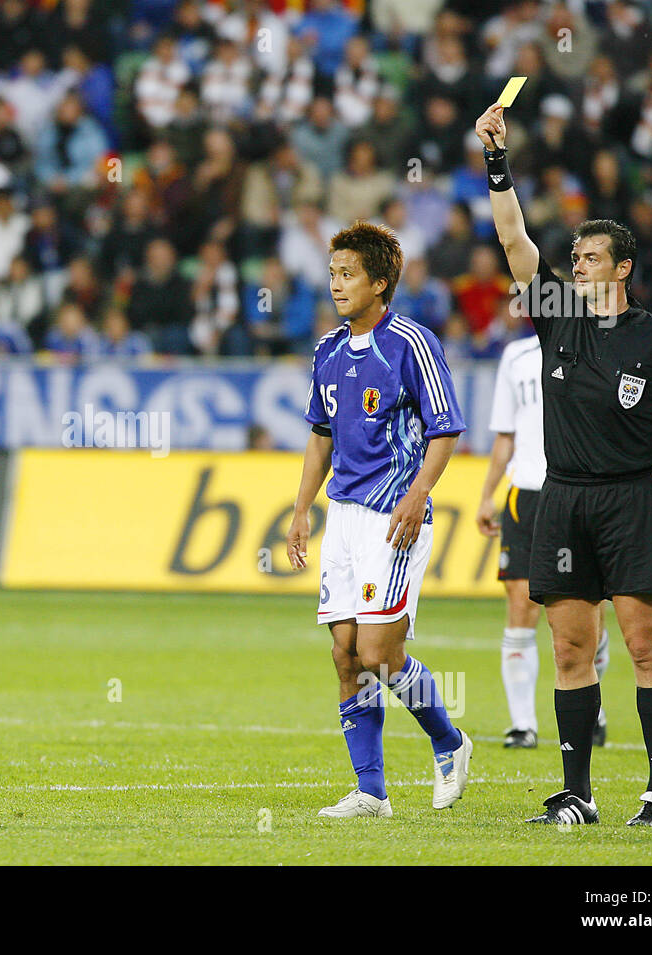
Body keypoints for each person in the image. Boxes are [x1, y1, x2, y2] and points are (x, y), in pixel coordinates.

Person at [478, 100, 652, 827]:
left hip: (633, 500)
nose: (575, 265)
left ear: (623, 268)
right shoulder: (557, 314)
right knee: (571, 644)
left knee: (645, 643)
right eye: (572, 257)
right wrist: (496, 159)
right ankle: (577, 794)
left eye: (588, 257)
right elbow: (513, 239)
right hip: (562, 499)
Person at [286, 221, 473, 820]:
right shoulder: (327, 350)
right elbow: (320, 437)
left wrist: (419, 494)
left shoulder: (412, 344)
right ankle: (371, 792)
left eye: (348, 275)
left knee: (377, 652)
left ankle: (450, 742)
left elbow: (446, 431)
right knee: (344, 653)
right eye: (333, 273)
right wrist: (300, 512)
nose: (336, 285)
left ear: (380, 282)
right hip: (341, 516)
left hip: (393, 515)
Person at [476, 333, 611, 749]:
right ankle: (522, 725)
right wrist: (487, 494)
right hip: (528, 495)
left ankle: (593, 707)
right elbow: (505, 434)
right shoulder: (515, 357)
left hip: (580, 491)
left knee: (589, 611)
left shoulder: (599, 348)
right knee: (521, 604)